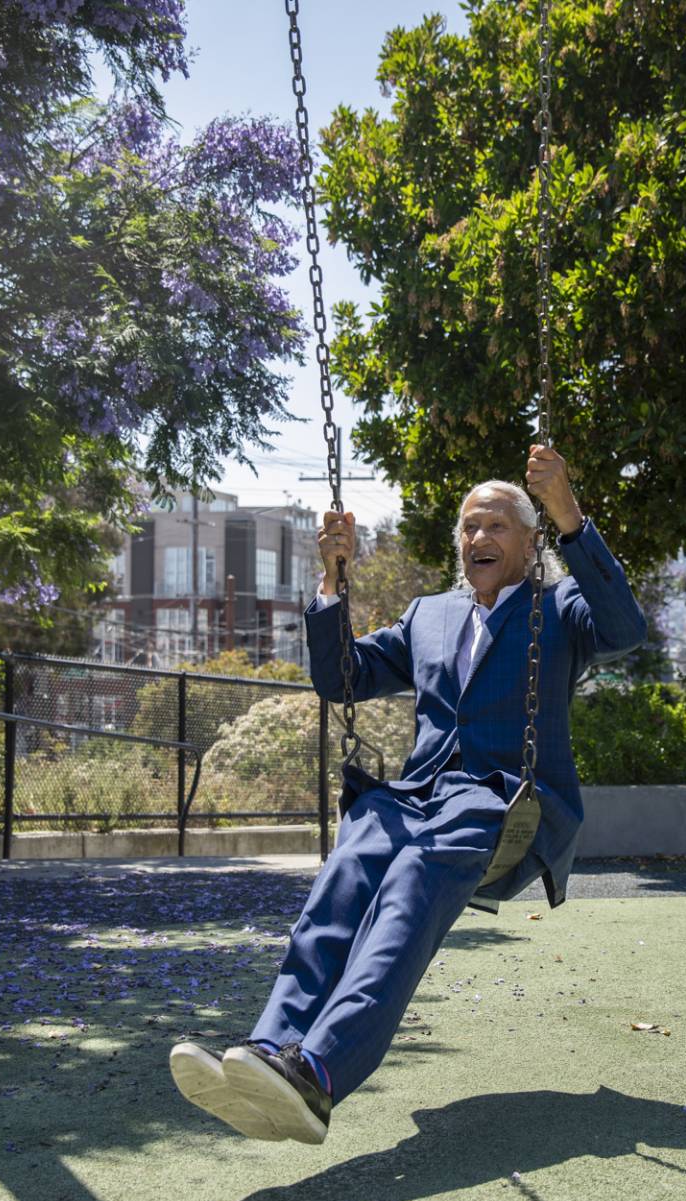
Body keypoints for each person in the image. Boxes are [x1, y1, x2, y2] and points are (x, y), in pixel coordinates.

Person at [168, 443, 646, 1143]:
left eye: (497, 527)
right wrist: (332, 587)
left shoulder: (560, 607)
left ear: (529, 540)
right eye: (468, 527)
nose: (478, 538)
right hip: (415, 796)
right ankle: (270, 1051)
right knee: (342, 882)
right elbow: (344, 678)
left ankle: (320, 1073)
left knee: (409, 893)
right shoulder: (430, 615)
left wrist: (569, 513)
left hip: (503, 797)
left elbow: (625, 629)